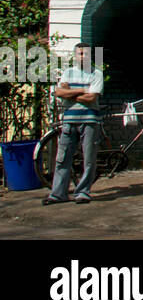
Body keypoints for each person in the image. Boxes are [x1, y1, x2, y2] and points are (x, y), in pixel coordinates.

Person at [44, 43, 104, 205]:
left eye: (85, 54)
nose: (82, 56)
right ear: (75, 56)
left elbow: (91, 98)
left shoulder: (96, 74)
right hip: (69, 121)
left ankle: (83, 192)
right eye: (79, 54)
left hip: (89, 121)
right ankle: (58, 194)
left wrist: (69, 94)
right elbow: (59, 92)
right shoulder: (68, 73)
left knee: (88, 158)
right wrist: (83, 91)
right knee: (62, 158)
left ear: (90, 56)